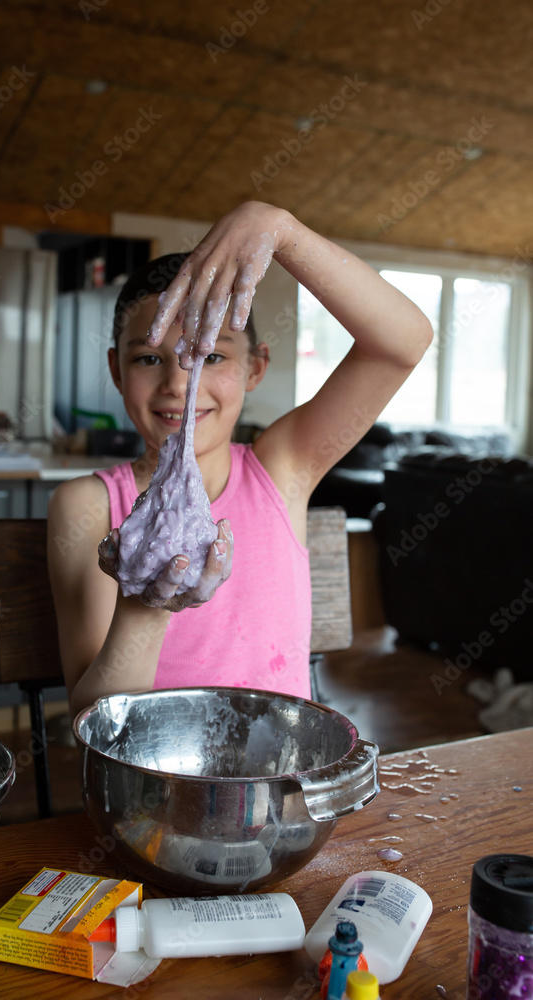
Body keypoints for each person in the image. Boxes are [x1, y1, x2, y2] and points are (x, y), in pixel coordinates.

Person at [48, 201, 433, 716]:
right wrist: (149, 605)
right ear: (117, 371)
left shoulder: (284, 466)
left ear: (256, 368)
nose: (180, 383)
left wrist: (281, 230)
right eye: (148, 357)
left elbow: (403, 342)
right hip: (157, 784)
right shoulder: (87, 507)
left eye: (211, 355)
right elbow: (93, 718)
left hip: (281, 777)